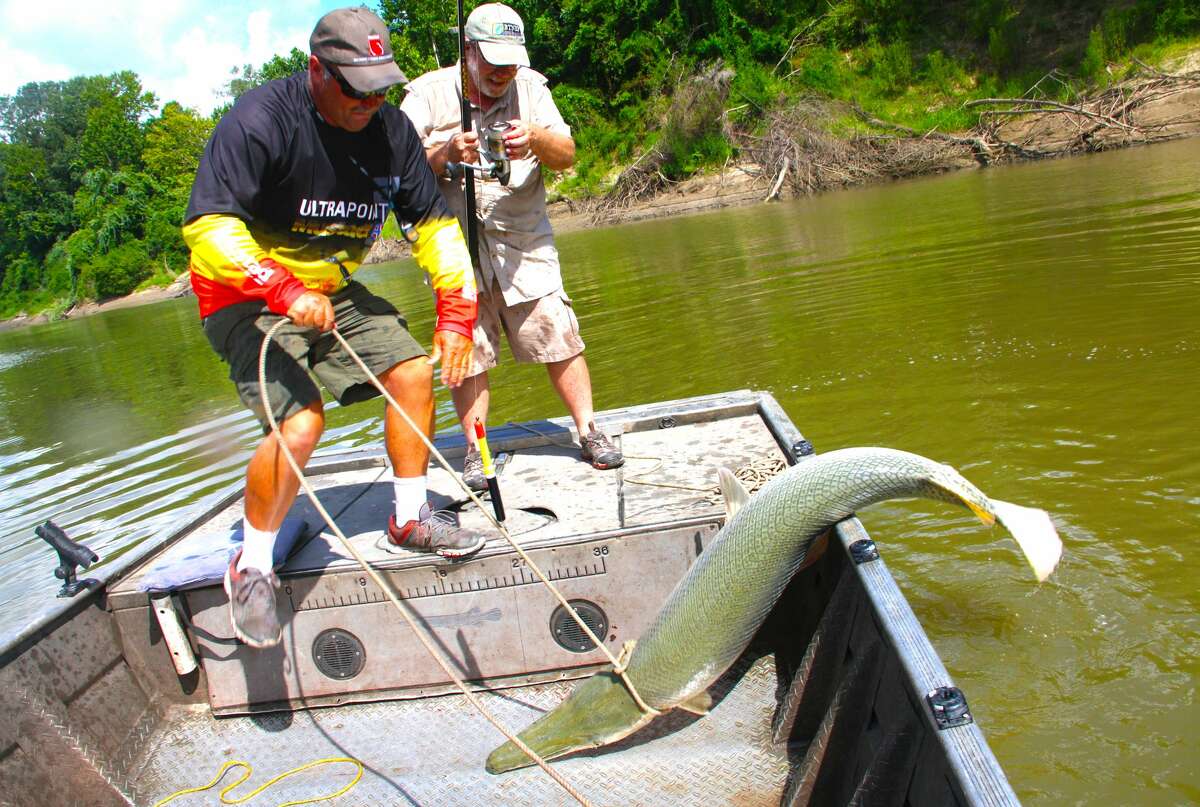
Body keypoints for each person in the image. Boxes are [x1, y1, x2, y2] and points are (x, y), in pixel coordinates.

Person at [183, 7, 488, 649]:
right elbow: (209, 231)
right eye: (356, 87)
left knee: (410, 370)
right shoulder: (261, 121)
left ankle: (409, 520)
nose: (370, 102)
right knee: (302, 422)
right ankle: (254, 565)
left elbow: (434, 230)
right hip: (243, 293)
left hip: (329, 288)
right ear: (318, 70)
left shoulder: (391, 131)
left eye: (380, 87)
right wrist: (281, 289)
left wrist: (457, 315)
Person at [400, 2, 623, 492]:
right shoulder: (426, 94)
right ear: (468, 51)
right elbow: (397, 168)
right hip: (454, 251)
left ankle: (588, 429)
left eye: (511, 62)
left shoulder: (532, 88)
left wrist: (537, 139)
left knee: (558, 334)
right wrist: (442, 155)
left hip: (525, 244)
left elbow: (567, 155)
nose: (504, 72)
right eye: (493, 62)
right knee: (469, 353)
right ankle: (477, 453)